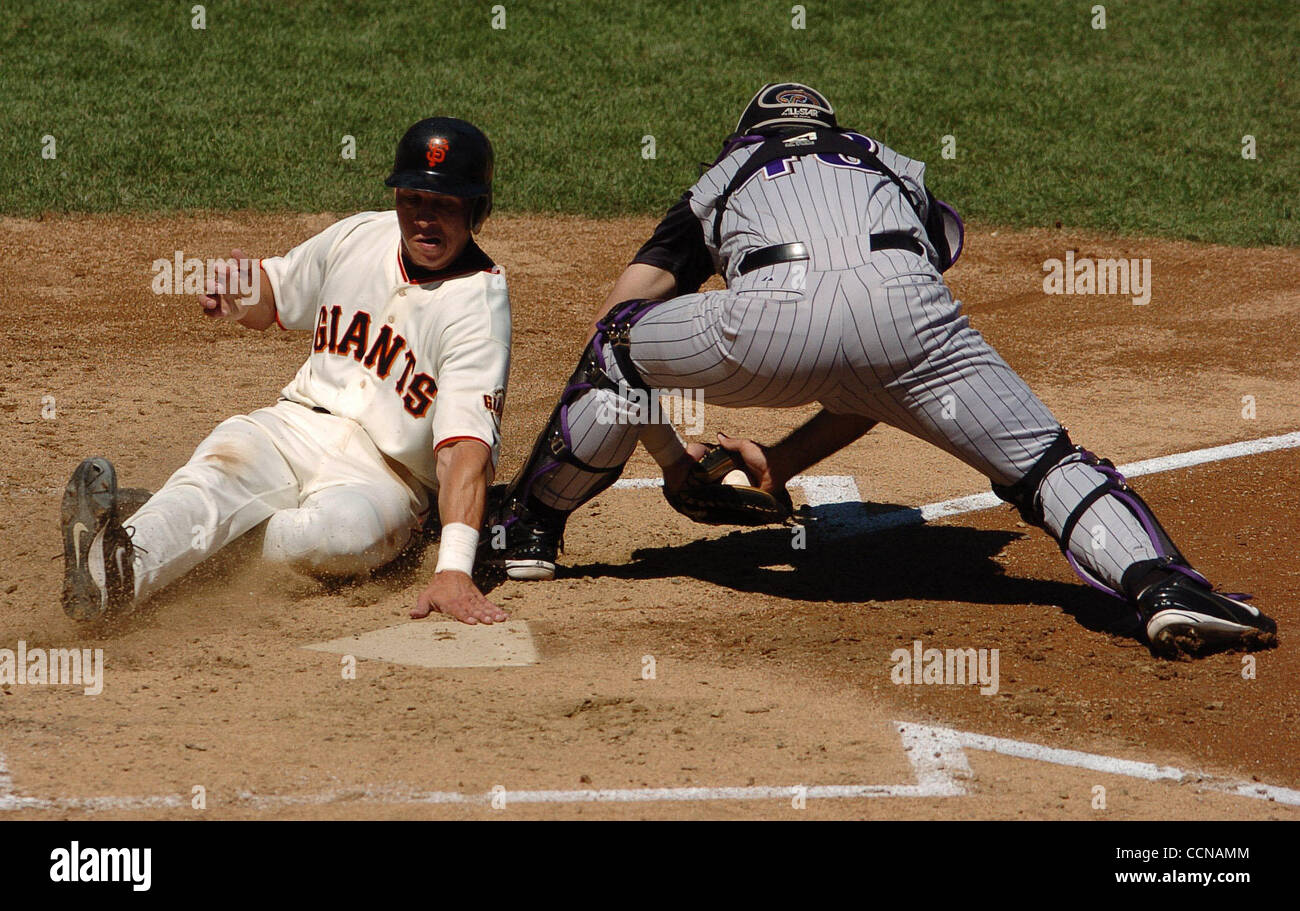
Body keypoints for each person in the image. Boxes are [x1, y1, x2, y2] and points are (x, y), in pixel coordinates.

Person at [488, 83, 1277, 658]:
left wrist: (679, 463)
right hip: (914, 321)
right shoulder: (893, 166)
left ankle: (529, 526)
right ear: (832, 128)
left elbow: (615, 319)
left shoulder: (724, 174)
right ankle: (1161, 585)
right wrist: (784, 463)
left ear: (745, 135)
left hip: (768, 321)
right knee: (1046, 463)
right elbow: (878, 369)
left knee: (619, 348)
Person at [61, 117, 511, 626]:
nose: (425, 219)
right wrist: (242, 292)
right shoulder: (361, 234)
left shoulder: (479, 307)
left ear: (477, 210)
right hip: (292, 426)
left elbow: (463, 451)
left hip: (386, 477)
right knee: (216, 476)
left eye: (445, 204)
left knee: (340, 537)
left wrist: (453, 568)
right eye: (413, 200)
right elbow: (277, 294)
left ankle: (177, 532)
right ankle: (107, 580)